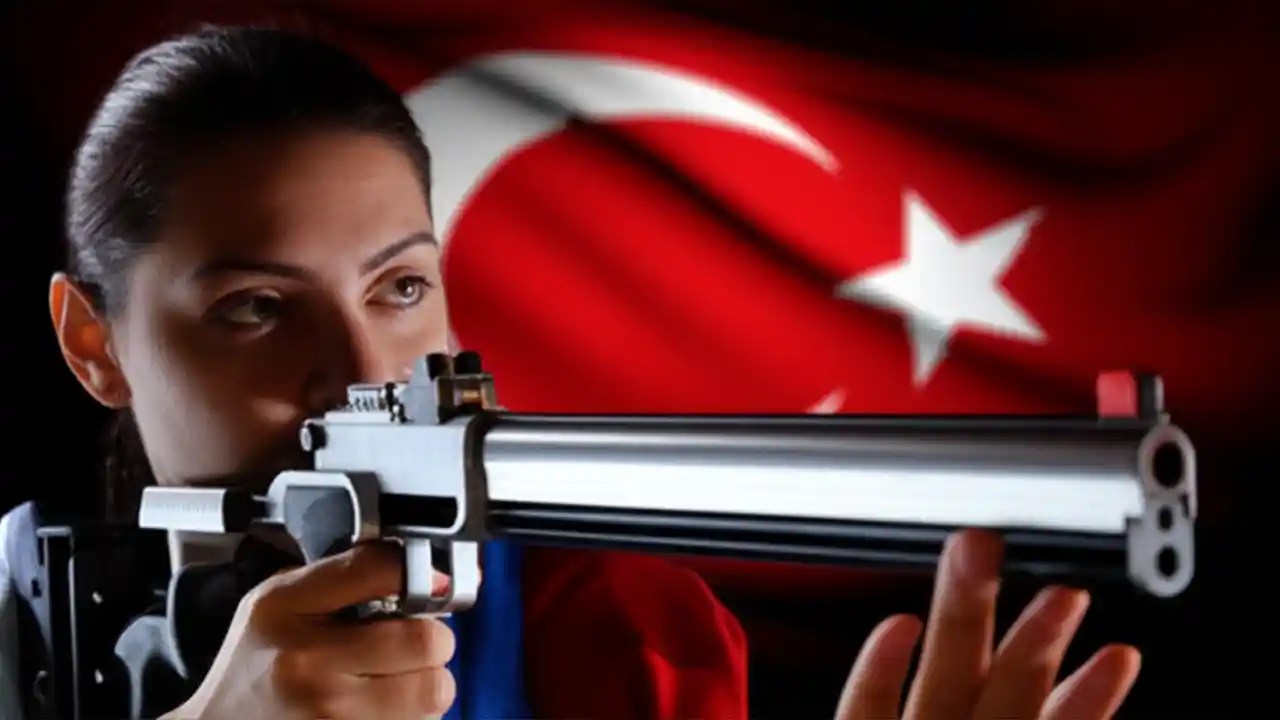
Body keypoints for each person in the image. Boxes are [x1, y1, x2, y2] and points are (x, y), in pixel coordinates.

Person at [0, 25, 1142, 720]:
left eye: (400, 290)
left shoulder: (620, 630)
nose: (358, 373)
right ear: (93, 344)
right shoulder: (27, 622)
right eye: (255, 309)